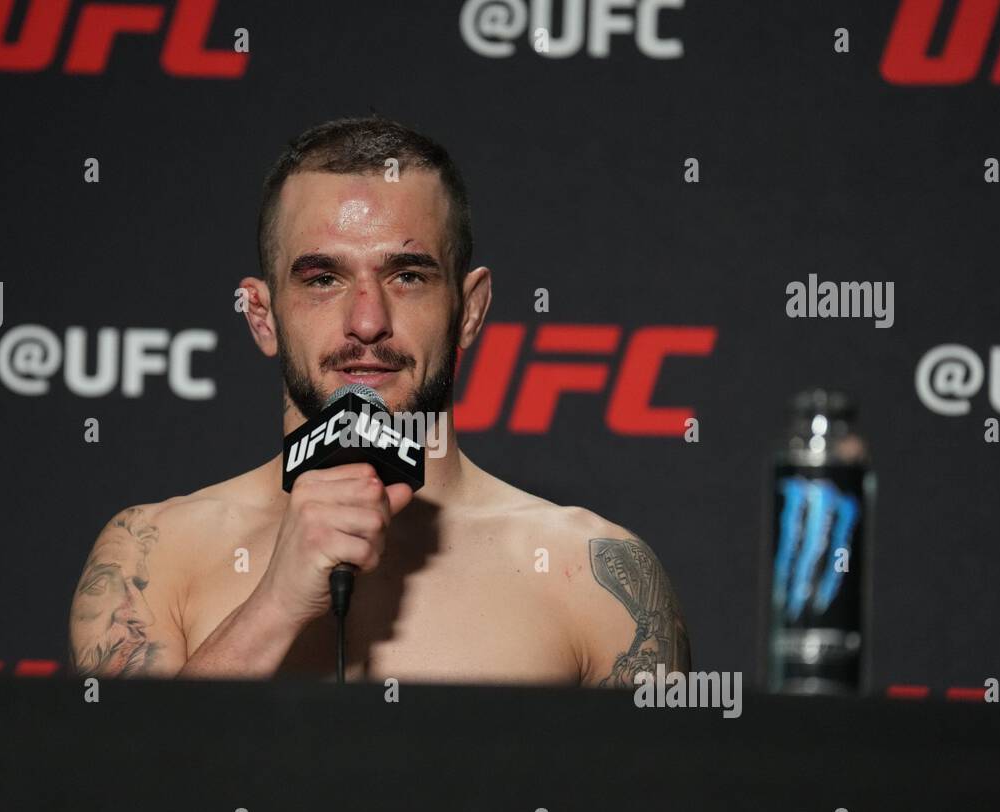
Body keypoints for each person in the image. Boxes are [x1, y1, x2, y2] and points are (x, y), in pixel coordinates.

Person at [68, 116, 690, 685]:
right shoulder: (153, 554)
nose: (367, 322)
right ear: (260, 316)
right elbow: (124, 800)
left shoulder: (596, 579)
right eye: (322, 279)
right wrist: (273, 609)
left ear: (469, 311)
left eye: (408, 277)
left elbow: (659, 807)